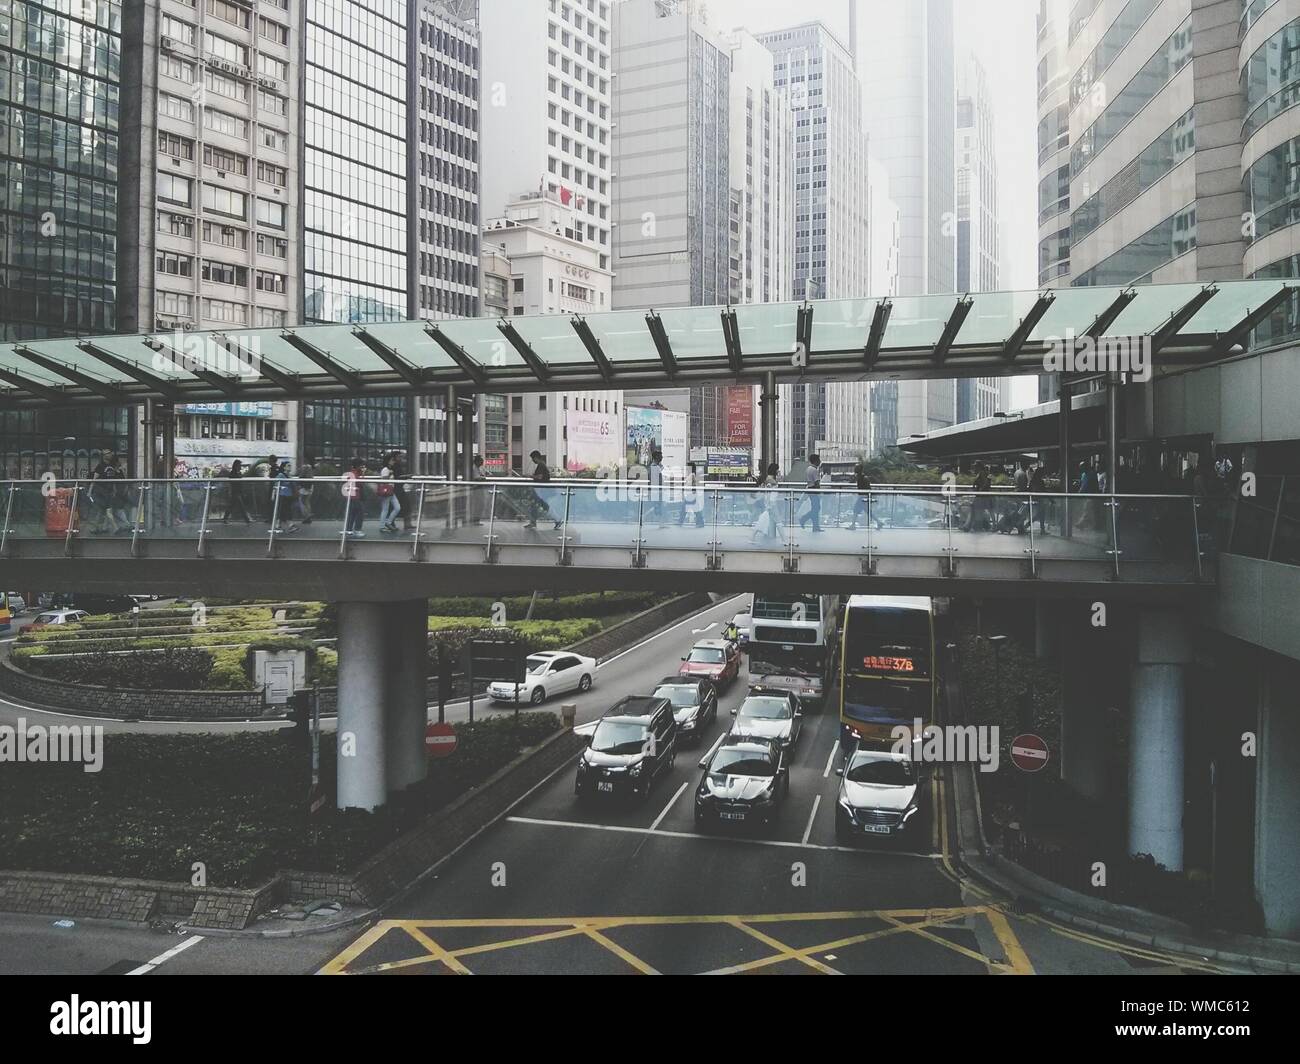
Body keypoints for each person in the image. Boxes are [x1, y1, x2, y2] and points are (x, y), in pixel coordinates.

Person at [524, 450, 561, 531]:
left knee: (542, 506)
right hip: (541, 489)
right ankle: (533, 522)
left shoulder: (541, 465)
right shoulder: (542, 464)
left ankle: (557, 519)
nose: (532, 460)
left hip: (541, 490)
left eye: (532, 458)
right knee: (536, 505)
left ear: (536, 457)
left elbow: (540, 477)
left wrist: (530, 476)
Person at [271, 462, 300, 534]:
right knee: (286, 510)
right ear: (284, 467)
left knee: (282, 511)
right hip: (282, 496)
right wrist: (273, 495)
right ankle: (290, 525)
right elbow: (275, 484)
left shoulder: (289, 476)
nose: (290, 467)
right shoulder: (281, 475)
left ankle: (278, 525)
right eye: (288, 466)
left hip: (288, 496)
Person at [220, 459, 252, 525]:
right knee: (241, 506)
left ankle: (225, 519)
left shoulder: (236, 473)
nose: (240, 467)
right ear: (236, 466)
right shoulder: (233, 473)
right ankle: (247, 520)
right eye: (240, 465)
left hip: (237, 492)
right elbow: (233, 483)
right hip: (235, 492)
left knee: (231, 506)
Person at [377, 453, 401, 534]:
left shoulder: (390, 469)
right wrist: (390, 474)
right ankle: (382, 526)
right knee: (385, 509)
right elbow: (384, 480)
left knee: (397, 507)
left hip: (391, 491)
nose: (393, 462)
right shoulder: (385, 470)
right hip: (386, 491)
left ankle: (388, 522)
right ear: (388, 461)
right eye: (392, 460)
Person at [343, 456, 366, 537]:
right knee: (360, 512)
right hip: (355, 496)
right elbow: (360, 483)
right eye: (361, 466)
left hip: (352, 496)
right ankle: (357, 529)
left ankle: (349, 529)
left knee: (352, 513)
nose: (362, 467)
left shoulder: (353, 472)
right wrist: (362, 475)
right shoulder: (354, 473)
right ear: (358, 465)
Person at [800, 453, 824, 532]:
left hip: (809, 489)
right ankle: (804, 519)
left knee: (815, 508)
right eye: (819, 460)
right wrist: (819, 493)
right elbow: (817, 483)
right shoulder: (814, 470)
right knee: (816, 509)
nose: (820, 461)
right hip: (814, 490)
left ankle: (815, 526)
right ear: (816, 461)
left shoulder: (808, 469)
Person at [678, 461, 704, 527]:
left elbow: (693, 485)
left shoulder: (692, 475)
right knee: (695, 509)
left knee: (684, 509)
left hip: (690, 495)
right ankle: (700, 523)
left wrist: (693, 494)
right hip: (690, 494)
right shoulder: (691, 475)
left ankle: (680, 522)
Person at [848, 463, 873, 531]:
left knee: (856, 510)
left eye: (856, 468)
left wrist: (867, 497)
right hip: (862, 497)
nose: (855, 469)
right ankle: (879, 522)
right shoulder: (859, 477)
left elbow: (868, 488)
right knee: (867, 511)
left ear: (860, 469)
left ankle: (853, 525)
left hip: (863, 497)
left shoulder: (864, 478)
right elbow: (851, 482)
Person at [468, 454, 487, 525]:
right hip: (476, 489)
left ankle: (476, 520)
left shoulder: (477, 468)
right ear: (477, 461)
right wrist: (482, 478)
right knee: (478, 504)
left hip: (477, 488)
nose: (482, 463)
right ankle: (475, 520)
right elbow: (477, 478)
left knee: (479, 504)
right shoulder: (474, 468)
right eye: (481, 462)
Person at [297, 459, 315, 524]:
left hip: (304, 487)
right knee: (307, 501)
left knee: (301, 501)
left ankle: (306, 516)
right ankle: (308, 515)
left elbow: (300, 477)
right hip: (310, 486)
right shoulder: (310, 469)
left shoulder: (304, 467)